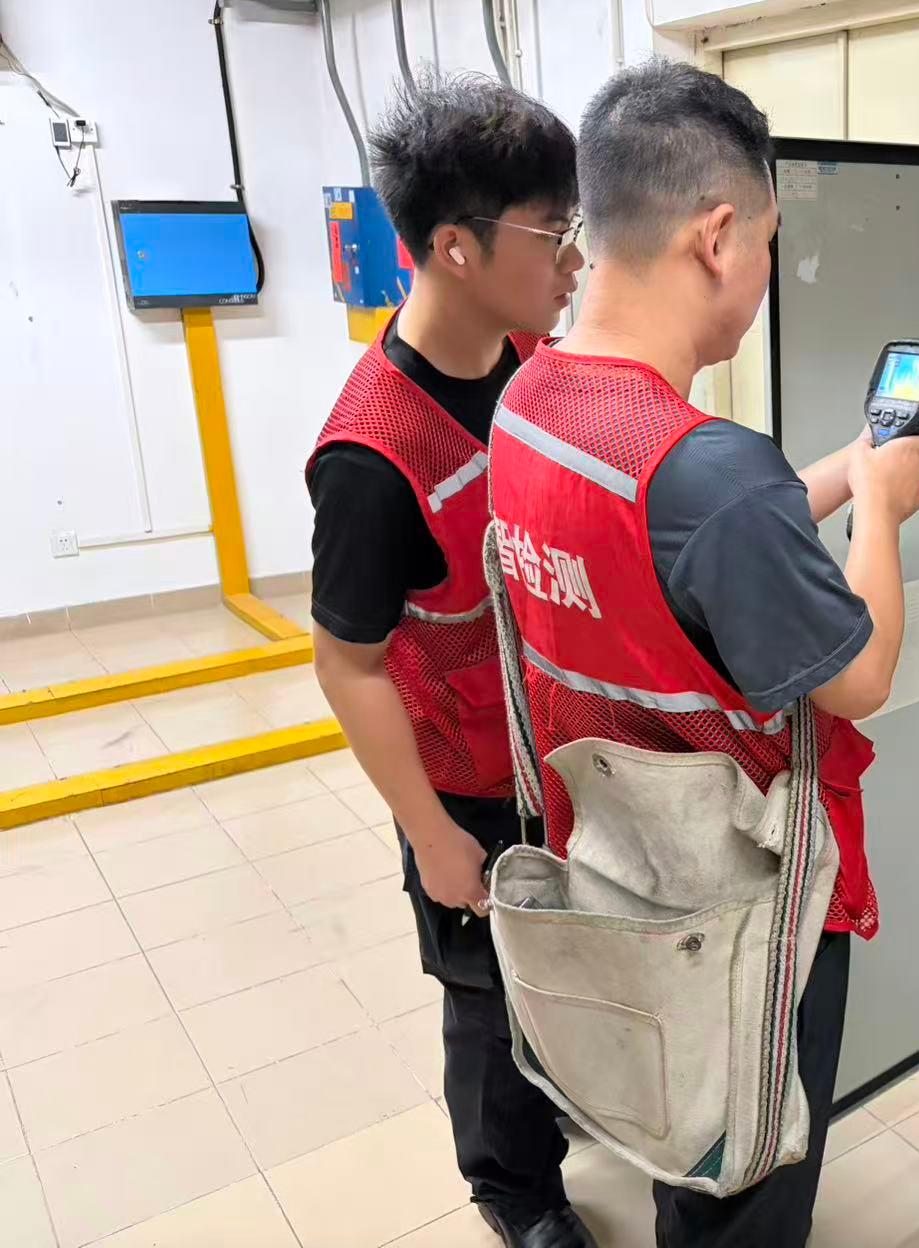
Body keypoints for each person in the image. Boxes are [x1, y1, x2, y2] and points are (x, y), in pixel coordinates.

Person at [485, 59, 919, 1247]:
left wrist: (855, 463)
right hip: (744, 911)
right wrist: (882, 510)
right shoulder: (709, 471)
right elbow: (860, 674)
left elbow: (693, 548)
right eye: (765, 241)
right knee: (746, 1175)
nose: (762, 270)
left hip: (621, 863)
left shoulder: (532, 401)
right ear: (716, 237)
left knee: (683, 1125)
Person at [306, 73, 597, 1248]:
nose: (575, 259)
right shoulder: (371, 456)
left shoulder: (525, 354)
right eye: (552, 231)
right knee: (486, 997)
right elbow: (349, 666)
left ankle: (562, 1110)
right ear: (455, 247)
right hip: (465, 779)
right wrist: (430, 833)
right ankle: (514, 1191)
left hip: (558, 747)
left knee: (562, 962)